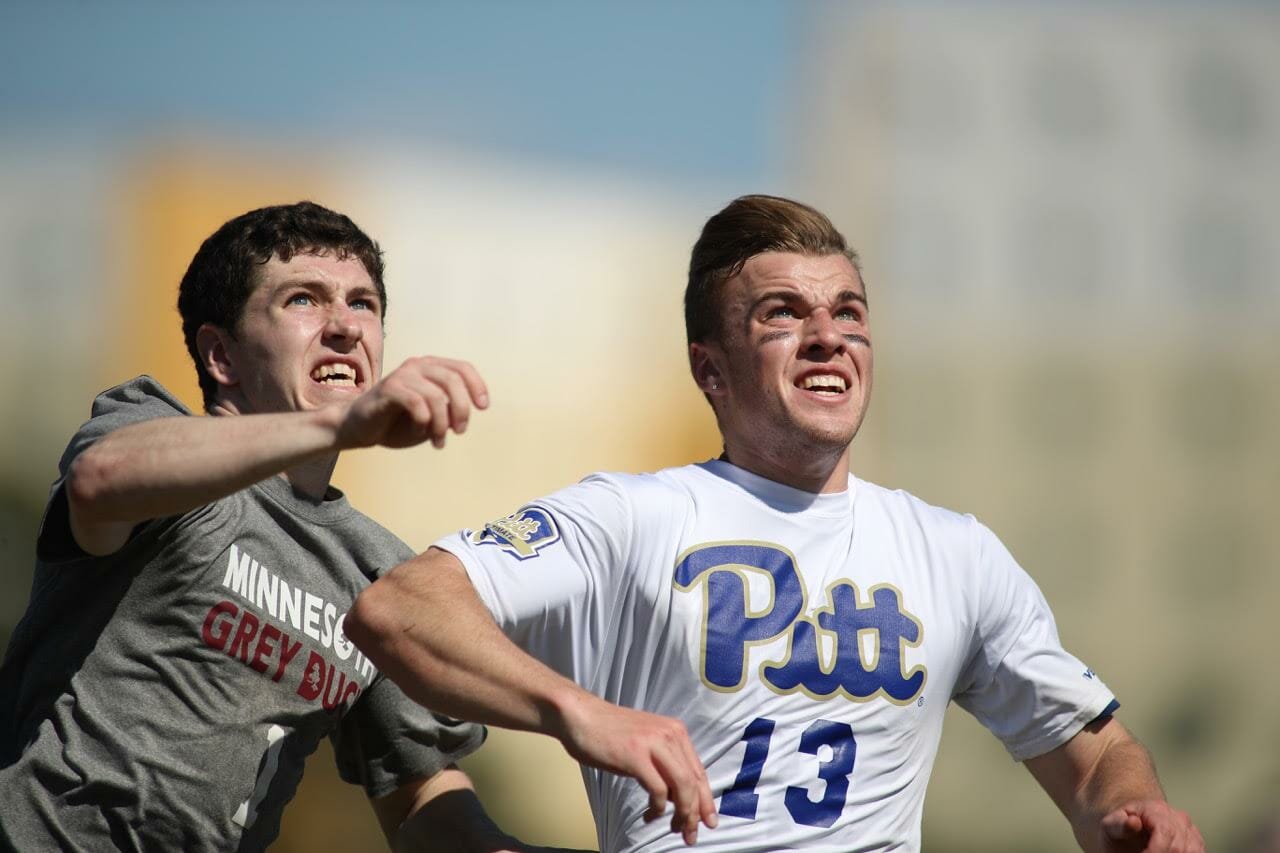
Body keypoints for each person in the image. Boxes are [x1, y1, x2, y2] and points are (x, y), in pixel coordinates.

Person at [345, 195, 1204, 852]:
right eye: (784, 314)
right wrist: (580, 713)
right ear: (709, 369)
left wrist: (1136, 814)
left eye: (850, 312)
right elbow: (399, 608)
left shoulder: (957, 552)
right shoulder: (630, 516)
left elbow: (1095, 754)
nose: (829, 337)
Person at [0, 202, 574, 853]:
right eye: (304, 299)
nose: (344, 327)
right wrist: (341, 423)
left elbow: (423, 804)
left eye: (363, 303)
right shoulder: (148, 434)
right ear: (221, 354)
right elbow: (99, 482)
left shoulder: (377, 572)